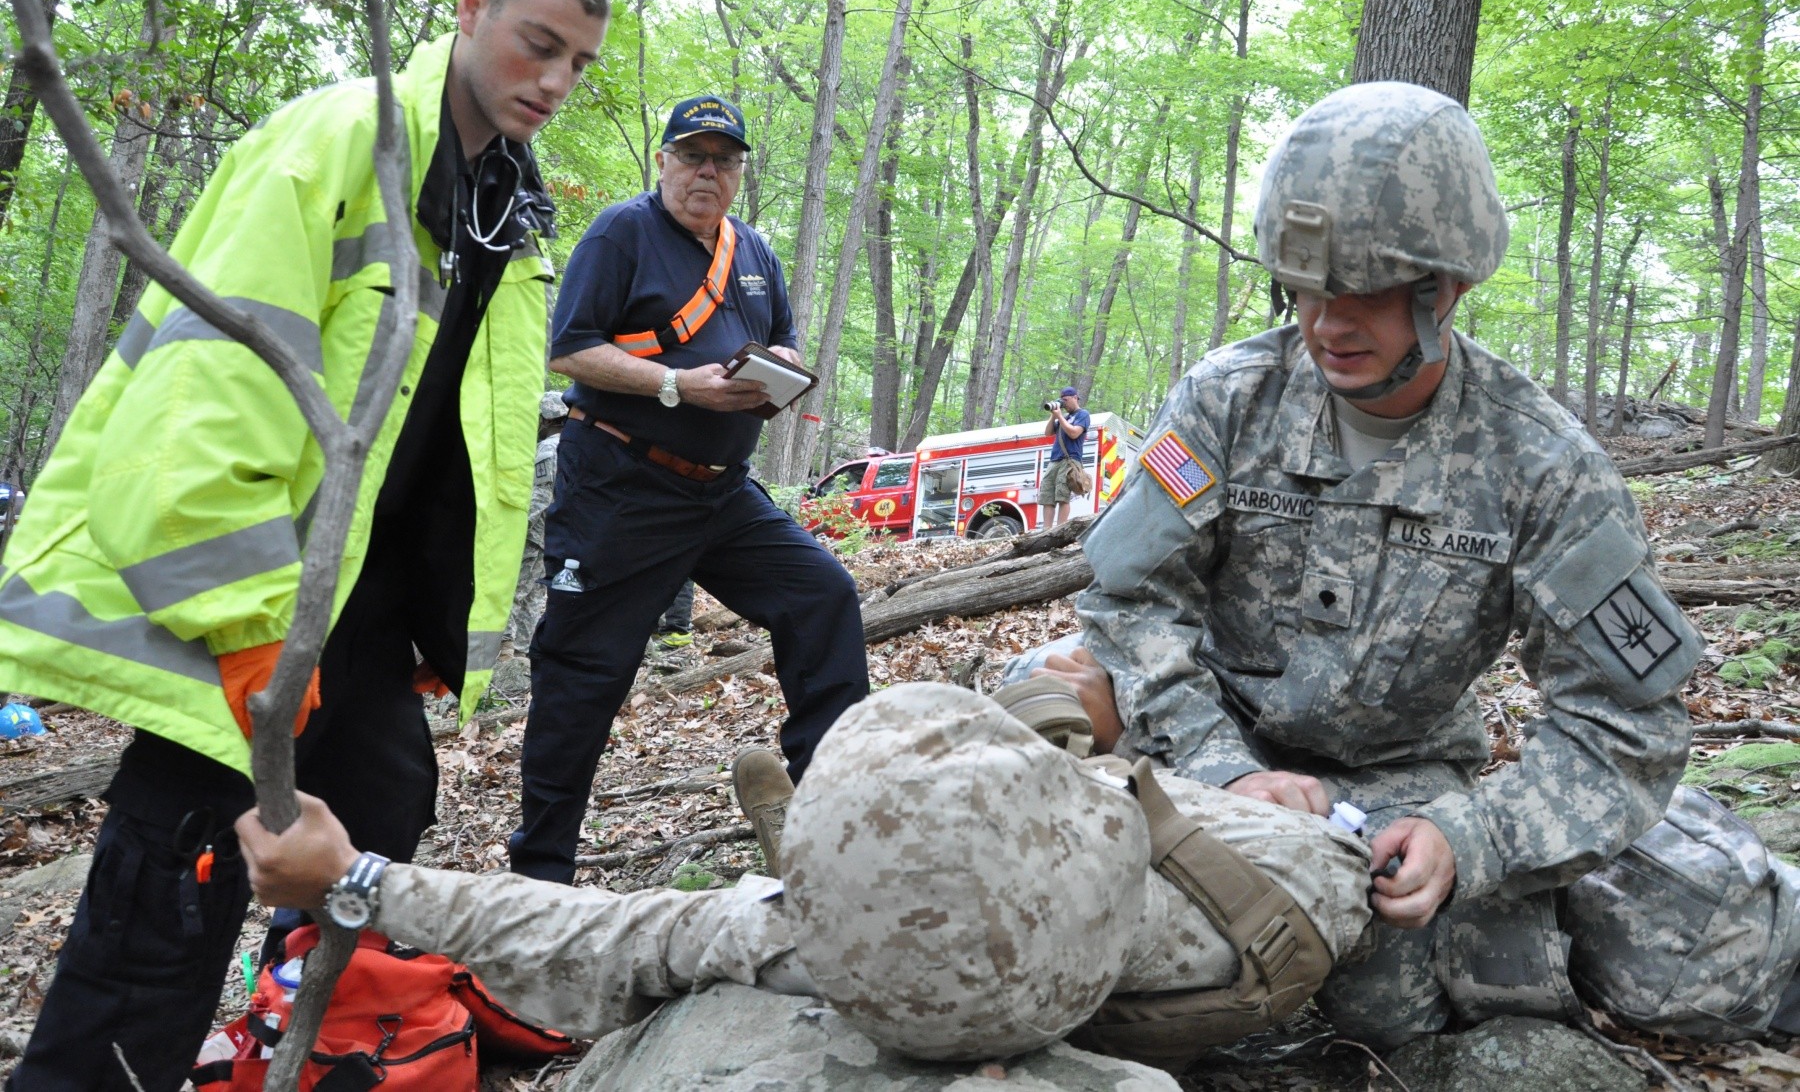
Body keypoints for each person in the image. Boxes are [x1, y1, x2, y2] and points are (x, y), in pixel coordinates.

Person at [1022, 81, 1800, 1049]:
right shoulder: (1228, 400)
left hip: (1390, 779)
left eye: (1366, 293)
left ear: (1448, 287)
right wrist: (1221, 765)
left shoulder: (1542, 465)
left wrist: (1470, 838)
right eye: (1307, 290)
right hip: (1198, 733)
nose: (1328, 324)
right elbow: (1133, 595)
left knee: (1380, 992)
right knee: (1034, 706)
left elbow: (1626, 721)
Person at [0, 0, 609, 1091]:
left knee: (374, 861)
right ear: (472, 6)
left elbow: (452, 438)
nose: (555, 81)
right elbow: (203, 401)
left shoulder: (507, 214)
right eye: (539, 45)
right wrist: (245, 628)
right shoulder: (336, 140)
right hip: (249, 603)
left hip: (365, 625)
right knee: (164, 913)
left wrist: (431, 624)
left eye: (577, 63)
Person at [236, 682, 1374, 1061]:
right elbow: (1338, 844)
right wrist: (1338, 810)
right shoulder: (1262, 871)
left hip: (904, 977)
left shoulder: (813, 939)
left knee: (678, 929)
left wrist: (361, 876)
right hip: (1165, 949)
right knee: (1048, 695)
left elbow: (600, 930)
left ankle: (850, 847)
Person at [512, 94, 869, 885]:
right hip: (621, 488)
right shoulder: (620, 234)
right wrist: (679, 387)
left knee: (822, 597)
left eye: (724, 160)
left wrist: (776, 378)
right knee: (583, 672)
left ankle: (831, 812)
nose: (707, 172)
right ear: (665, 161)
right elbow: (570, 351)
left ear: (739, 173)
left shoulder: (754, 252)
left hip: (723, 495)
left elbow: (785, 341)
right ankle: (540, 872)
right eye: (693, 155)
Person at [506, 389, 573, 655]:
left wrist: (517, 529)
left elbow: (541, 495)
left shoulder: (548, 448)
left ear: (546, 419)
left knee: (515, 588)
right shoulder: (573, 445)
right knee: (534, 592)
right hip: (556, 531)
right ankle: (524, 649)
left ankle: (506, 647)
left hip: (535, 531)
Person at [1037, 385, 1090, 529]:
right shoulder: (1064, 417)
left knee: (1062, 496)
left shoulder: (1083, 414)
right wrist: (1054, 415)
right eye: (1062, 401)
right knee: (1047, 497)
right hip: (1055, 460)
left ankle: (1059, 530)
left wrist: (1060, 416)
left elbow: (1074, 433)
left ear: (1075, 397)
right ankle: (1046, 531)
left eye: (1066, 400)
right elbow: (1048, 432)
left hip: (1069, 460)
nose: (1064, 404)